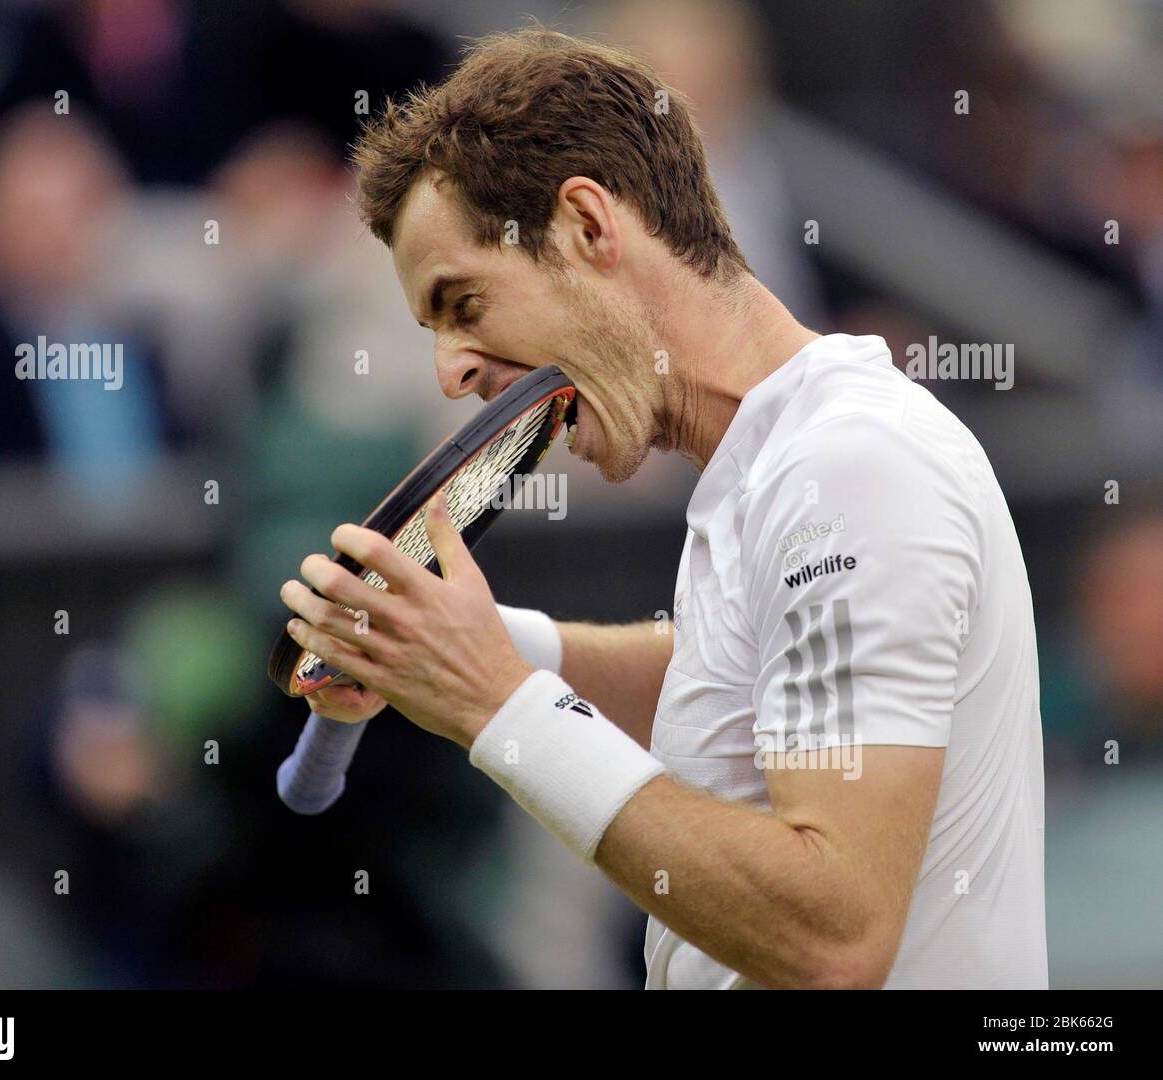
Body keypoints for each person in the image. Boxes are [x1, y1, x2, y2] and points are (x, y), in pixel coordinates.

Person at [278, 28, 1047, 990]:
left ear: (589, 229)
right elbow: (734, 692)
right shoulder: (772, 460)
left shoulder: (852, 465)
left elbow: (836, 936)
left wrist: (490, 701)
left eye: (464, 303)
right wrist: (457, 647)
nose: (452, 371)